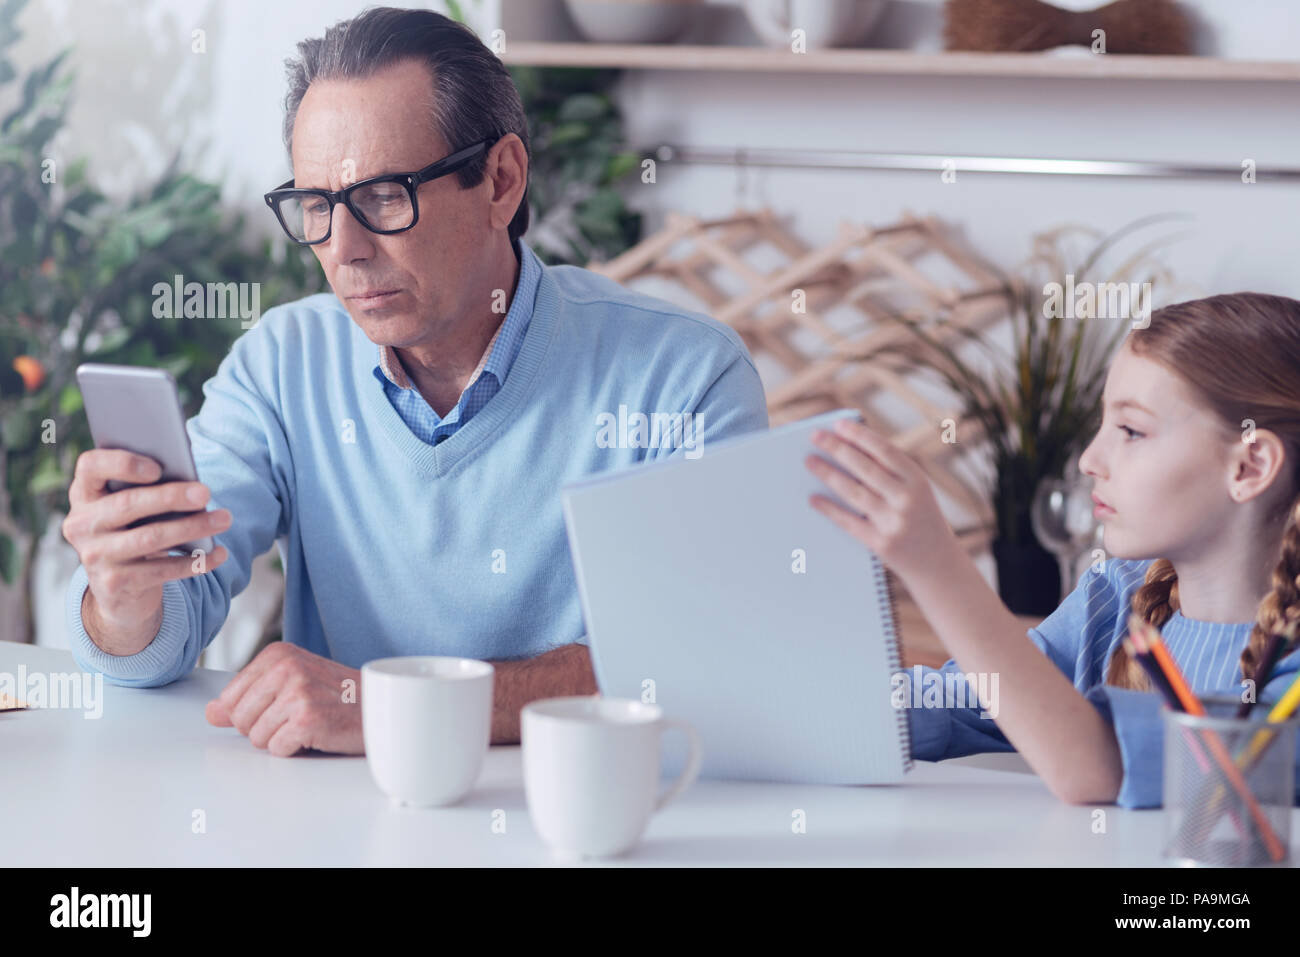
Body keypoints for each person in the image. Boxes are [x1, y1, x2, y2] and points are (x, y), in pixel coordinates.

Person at [60, 7, 767, 755]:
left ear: (501, 181)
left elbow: (704, 661)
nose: (346, 250)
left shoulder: (685, 378)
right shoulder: (282, 363)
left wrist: (400, 706)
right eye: (317, 206)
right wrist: (123, 598)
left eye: (384, 197)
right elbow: (159, 635)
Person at [805, 292, 1300, 807]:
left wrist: (935, 567)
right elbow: (963, 701)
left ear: (1250, 466)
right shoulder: (1114, 599)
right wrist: (792, 698)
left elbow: (1100, 771)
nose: (1090, 459)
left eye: (1131, 430)